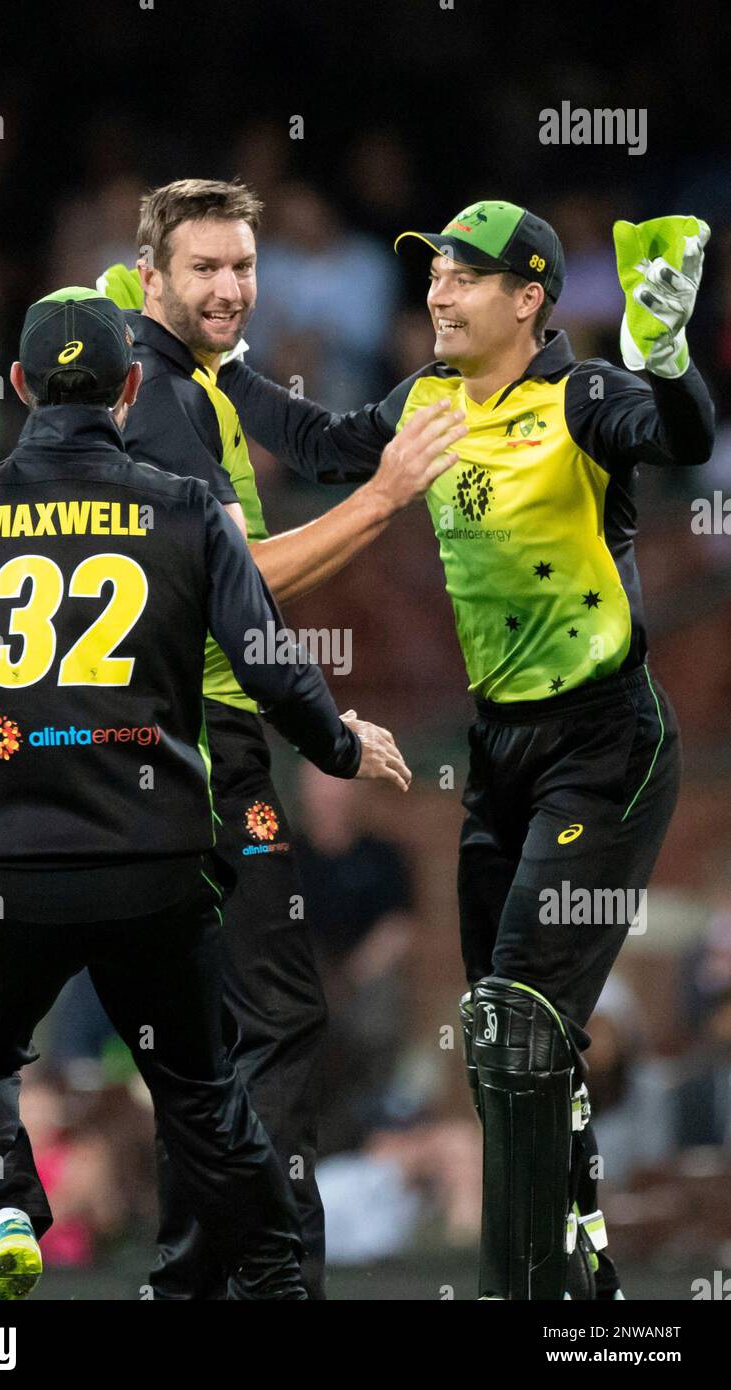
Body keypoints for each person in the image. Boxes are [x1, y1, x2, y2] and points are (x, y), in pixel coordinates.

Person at [0, 286, 418, 1301]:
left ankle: (1, 1212)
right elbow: (268, 667)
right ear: (129, 389)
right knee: (203, 1092)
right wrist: (337, 746)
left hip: (15, 861)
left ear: (23, 386)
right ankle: (275, 1275)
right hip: (157, 860)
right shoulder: (189, 510)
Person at [213, 201, 715, 1299]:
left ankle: (522, 1291)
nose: (437, 292)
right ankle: (573, 1259)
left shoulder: (580, 396)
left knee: (519, 1021)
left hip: (603, 742)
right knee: (502, 1044)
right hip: (501, 752)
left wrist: (668, 358)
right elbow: (322, 445)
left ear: (528, 298)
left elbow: (678, 439)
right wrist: (222, 359)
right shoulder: (425, 401)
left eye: (465, 276)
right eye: (433, 272)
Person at [98, 177, 467, 1299]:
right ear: (155, 275)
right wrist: (387, 500)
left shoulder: (192, 369)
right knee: (278, 1011)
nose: (229, 287)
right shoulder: (157, 398)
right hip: (198, 745)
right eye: (204, 268)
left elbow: (326, 433)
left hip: (168, 739)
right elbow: (232, 577)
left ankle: (191, 1275)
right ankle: (268, 1276)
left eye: (242, 266)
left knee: (202, 1030)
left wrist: (447, 360)